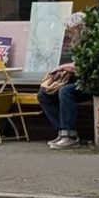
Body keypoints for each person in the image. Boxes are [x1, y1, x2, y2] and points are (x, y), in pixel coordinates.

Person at [38, 12, 86, 150]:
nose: (69, 34)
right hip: (75, 80)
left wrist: (62, 67)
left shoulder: (90, 42)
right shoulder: (77, 43)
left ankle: (69, 136)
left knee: (66, 92)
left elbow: (82, 65)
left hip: (89, 82)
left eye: (71, 30)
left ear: (79, 28)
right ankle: (63, 131)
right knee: (44, 95)